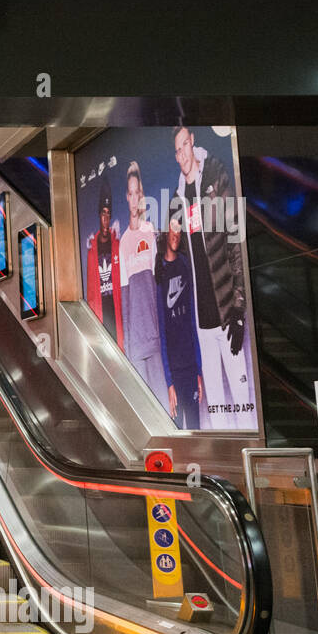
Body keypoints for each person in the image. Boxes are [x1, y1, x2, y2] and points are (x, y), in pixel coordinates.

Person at [173, 125, 250, 430]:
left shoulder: (216, 175)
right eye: (176, 151)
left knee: (243, 402)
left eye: (184, 146)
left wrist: (239, 310)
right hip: (203, 324)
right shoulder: (179, 193)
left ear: (193, 143)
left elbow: (235, 243)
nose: (181, 155)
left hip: (227, 315)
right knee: (216, 410)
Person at [118, 161, 167, 403]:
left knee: (166, 412)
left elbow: (160, 288)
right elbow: (125, 299)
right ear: (126, 197)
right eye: (131, 193)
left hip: (156, 340)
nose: (135, 198)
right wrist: (128, 346)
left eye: (139, 192)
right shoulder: (123, 241)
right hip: (136, 346)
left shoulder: (151, 232)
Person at [154, 210, 205, 429]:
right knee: (177, 432)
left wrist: (199, 372)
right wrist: (169, 382)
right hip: (174, 370)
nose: (175, 235)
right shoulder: (160, 272)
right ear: (166, 234)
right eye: (172, 231)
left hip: (190, 367)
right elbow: (162, 332)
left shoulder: (185, 264)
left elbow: (192, 323)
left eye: (179, 231)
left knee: (195, 428)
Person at [84, 181, 122, 345]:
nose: (106, 219)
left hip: (117, 317)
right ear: (98, 215)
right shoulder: (91, 249)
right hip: (101, 320)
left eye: (109, 214)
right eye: (103, 214)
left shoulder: (117, 245)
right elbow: (91, 293)